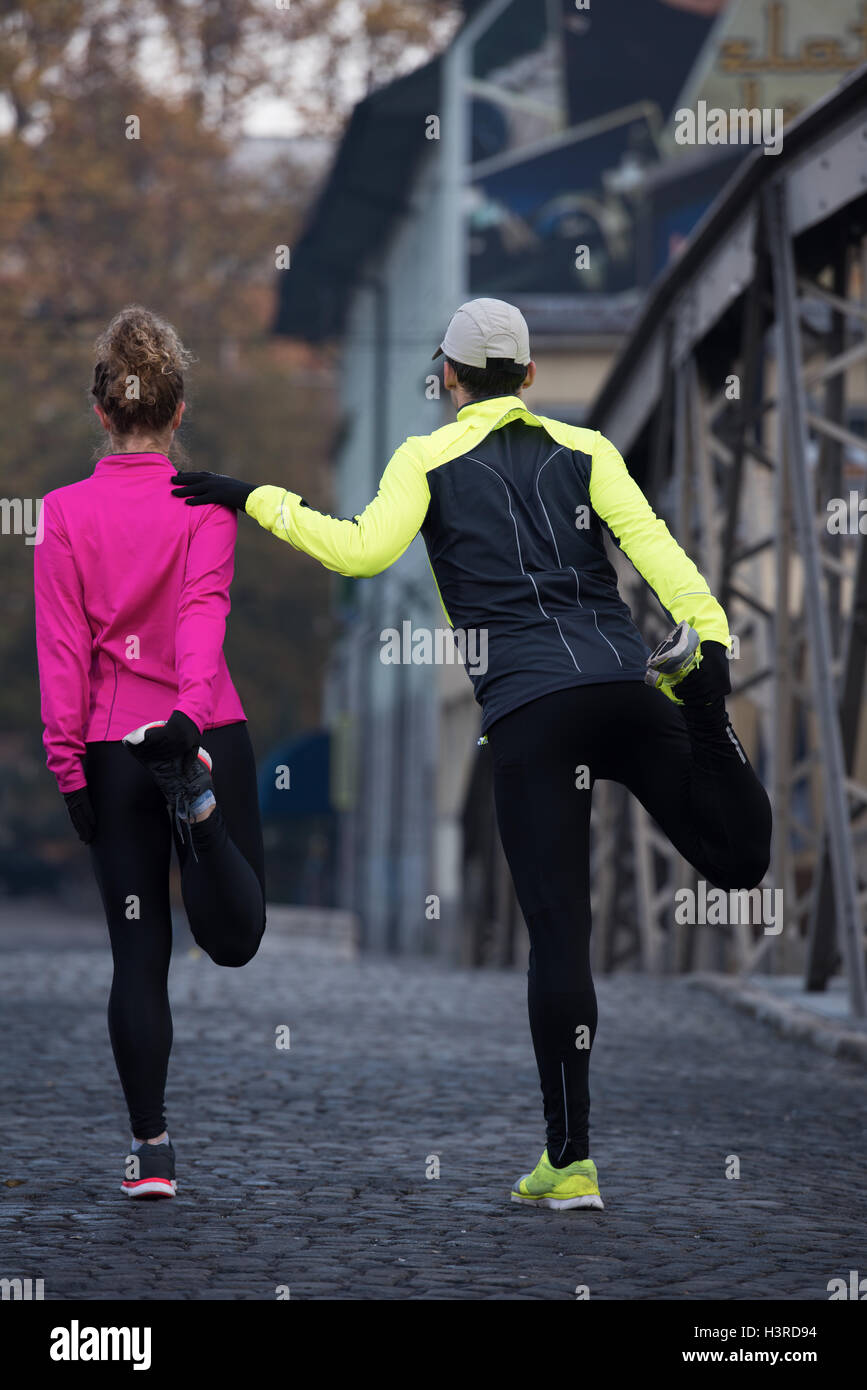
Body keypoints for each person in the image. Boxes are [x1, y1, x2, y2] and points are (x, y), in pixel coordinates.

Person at [171, 297, 772, 1211]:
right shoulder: (589, 449)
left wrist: (253, 497)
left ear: (446, 379)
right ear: (529, 379)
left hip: (531, 713)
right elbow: (656, 551)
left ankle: (569, 1164)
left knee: (560, 934)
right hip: (622, 682)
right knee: (739, 858)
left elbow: (361, 553)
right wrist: (713, 640)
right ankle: (708, 713)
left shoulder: (423, 458)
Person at [34, 304, 266, 1200]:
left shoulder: (60, 514)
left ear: (102, 412)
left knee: (139, 954)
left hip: (107, 745)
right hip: (199, 731)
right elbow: (204, 616)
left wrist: (67, 768)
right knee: (234, 937)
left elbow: (61, 652)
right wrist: (192, 724)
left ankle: (152, 1152)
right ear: (176, 414)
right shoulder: (205, 506)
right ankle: (199, 808)